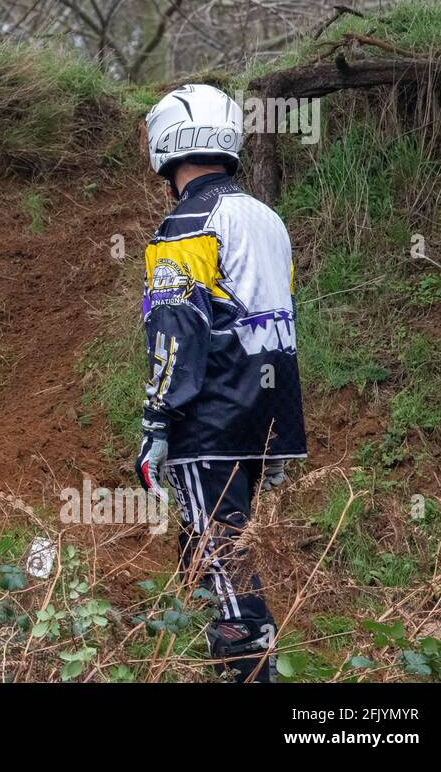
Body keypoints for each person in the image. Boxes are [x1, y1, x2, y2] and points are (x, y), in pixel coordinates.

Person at [134, 84, 306, 682]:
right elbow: (280, 322)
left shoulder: (185, 225)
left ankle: (252, 676)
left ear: (166, 146)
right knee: (219, 553)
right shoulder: (268, 220)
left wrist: (157, 423)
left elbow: (177, 336)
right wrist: (279, 430)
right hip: (265, 414)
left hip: (209, 422)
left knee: (221, 563)